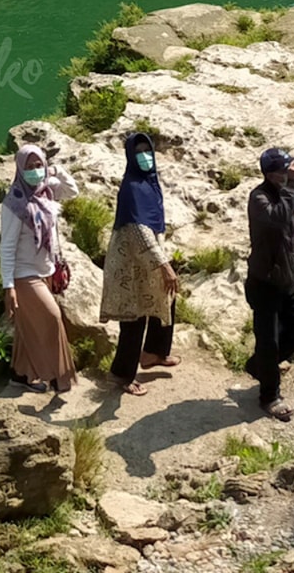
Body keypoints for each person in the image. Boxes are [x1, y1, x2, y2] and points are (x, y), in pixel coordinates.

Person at [0, 142, 79, 397]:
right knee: (53, 318)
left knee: (27, 327)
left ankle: (20, 375)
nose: (34, 171)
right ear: (19, 169)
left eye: (38, 165)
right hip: (24, 275)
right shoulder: (14, 205)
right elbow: (7, 248)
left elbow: (72, 191)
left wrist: (54, 170)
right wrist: (8, 286)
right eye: (29, 167)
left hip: (45, 270)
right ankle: (59, 379)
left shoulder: (46, 191)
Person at [100, 131, 179, 396]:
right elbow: (138, 231)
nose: (145, 157)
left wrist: (161, 261)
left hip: (150, 257)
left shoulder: (150, 182)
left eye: (148, 151)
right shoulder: (132, 186)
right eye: (139, 152)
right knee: (134, 320)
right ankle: (121, 375)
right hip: (131, 264)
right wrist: (164, 265)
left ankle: (153, 353)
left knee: (166, 298)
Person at [244, 146, 294, 421]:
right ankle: (269, 396)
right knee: (268, 342)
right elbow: (279, 217)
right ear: (271, 174)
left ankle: (260, 367)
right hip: (264, 282)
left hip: (287, 278)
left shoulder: (284, 193)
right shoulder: (258, 197)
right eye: (284, 171)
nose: (288, 174)